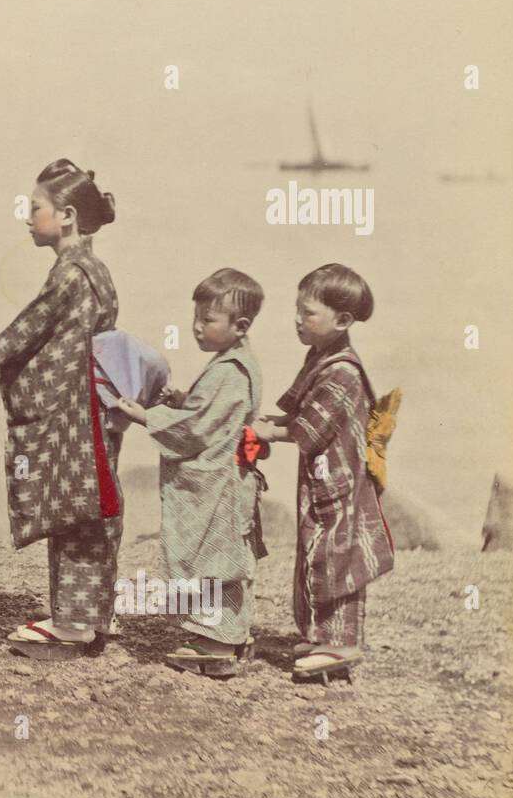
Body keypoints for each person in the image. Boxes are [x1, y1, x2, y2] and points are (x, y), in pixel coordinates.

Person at [0, 158, 121, 659]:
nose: (26, 216)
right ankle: (86, 619)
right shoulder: (93, 269)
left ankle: (73, 626)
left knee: (75, 509)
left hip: (73, 409)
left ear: (65, 215)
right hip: (91, 406)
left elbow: (30, 329)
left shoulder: (72, 271)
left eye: (34, 208)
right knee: (88, 507)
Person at [117, 268, 266, 676]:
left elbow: (199, 427)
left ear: (241, 326)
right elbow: (210, 413)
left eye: (208, 320)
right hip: (224, 478)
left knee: (214, 558)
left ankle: (216, 643)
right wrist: (184, 399)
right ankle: (225, 637)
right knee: (219, 557)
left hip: (217, 484)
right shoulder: (235, 365)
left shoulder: (229, 370)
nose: (197, 327)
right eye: (196, 317)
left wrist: (146, 416)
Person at [258, 263, 395, 682]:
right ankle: (322, 636)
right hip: (322, 477)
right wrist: (266, 421)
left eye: (309, 313)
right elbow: (296, 408)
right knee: (316, 552)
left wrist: (267, 431)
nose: (298, 320)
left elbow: (306, 430)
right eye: (297, 310)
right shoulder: (322, 355)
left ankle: (341, 644)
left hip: (340, 481)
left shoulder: (343, 371)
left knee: (338, 556)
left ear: (343, 320)